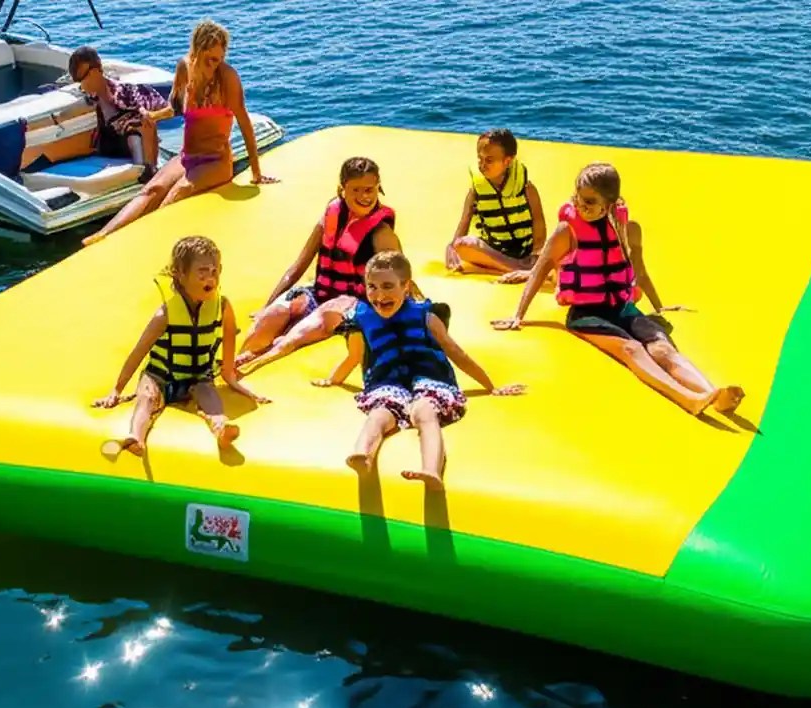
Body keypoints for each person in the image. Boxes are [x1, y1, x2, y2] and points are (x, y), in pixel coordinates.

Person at [492, 162, 745, 416]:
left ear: (609, 204)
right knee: (632, 349)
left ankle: (714, 394)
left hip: (622, 307)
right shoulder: (567, 231)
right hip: (586, 314)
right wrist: (518, 316)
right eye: (577, 198)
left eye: (589, 202)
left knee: (662, 348)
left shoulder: (624, 228)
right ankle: (689, 399)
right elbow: (540, 269)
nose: (580, 206)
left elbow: (639, 271)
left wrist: (659, 306)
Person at [315, 251, 525, 487]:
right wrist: (332, 380)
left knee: (425, 412)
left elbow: (456, 353)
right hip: (388, 384)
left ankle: (431, 470)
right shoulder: (362, 319)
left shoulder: (426, 316)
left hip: (430, 380)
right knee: (379, 414)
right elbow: (354, 356)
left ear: (406, 286)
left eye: (388, 286)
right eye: (372, 287)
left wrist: (491, 386)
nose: (379, 295)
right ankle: (363, 455)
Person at [82, 20, 278, 246]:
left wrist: (256, 172)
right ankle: (103, 235)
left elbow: (244, 123)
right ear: (196, 51)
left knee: (178, 193)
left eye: (219, 59)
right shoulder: (184, 68)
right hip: (187, 157)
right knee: (151, 190)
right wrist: (151, 116)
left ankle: (145, 245)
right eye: (209, 59)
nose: (214, 66)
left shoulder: (228, 78)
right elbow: (174, 108)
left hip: (215, 161)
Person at [235, 157, 420, 374]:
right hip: (320, 293)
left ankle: (259, 360)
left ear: (378, 187)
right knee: (271, 317)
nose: (364, 197)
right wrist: (268, 305)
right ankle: (241, 357)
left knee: (314, 321)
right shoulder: (331, 217)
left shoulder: (381, 234)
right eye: (356, 190)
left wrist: (420, 317)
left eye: (369, 190)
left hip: (353, 301)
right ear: (342, 189)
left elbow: (401, 279)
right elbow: (297, 267)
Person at [92, 235, 270, 457]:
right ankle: (136, 437)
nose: (211, 278)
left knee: (209, 395)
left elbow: (227, 356)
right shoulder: (165, 314)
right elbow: (138, 352)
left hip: (197, 377)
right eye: (202, 271)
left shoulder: (222, 307)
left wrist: (236, 384)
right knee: (146, 397)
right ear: (180, 274)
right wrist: (116, 390)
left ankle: (221, 428)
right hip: (160, 377)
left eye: (215, 271)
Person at [444, 128, 547, 284]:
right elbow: (465, 220)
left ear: (508, 161)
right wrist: (452, 248)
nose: (482, 165)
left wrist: (535, 253)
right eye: (480, 159)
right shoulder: (476, 190)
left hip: (525, 251)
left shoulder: (525, 187)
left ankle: (516, 267)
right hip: (494, 250)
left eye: (489, 160)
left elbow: (538, 221)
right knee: (462, 244)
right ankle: (517, 269)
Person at [68, 45, 169, 183]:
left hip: (136, 142)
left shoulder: (123, 94)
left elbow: (149, 119)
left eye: (82, 79)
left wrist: (150, 165)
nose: (82, 86)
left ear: (95, 72)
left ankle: (144, 170)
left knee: (135, 129)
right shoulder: (90, 96)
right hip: (111, 146)